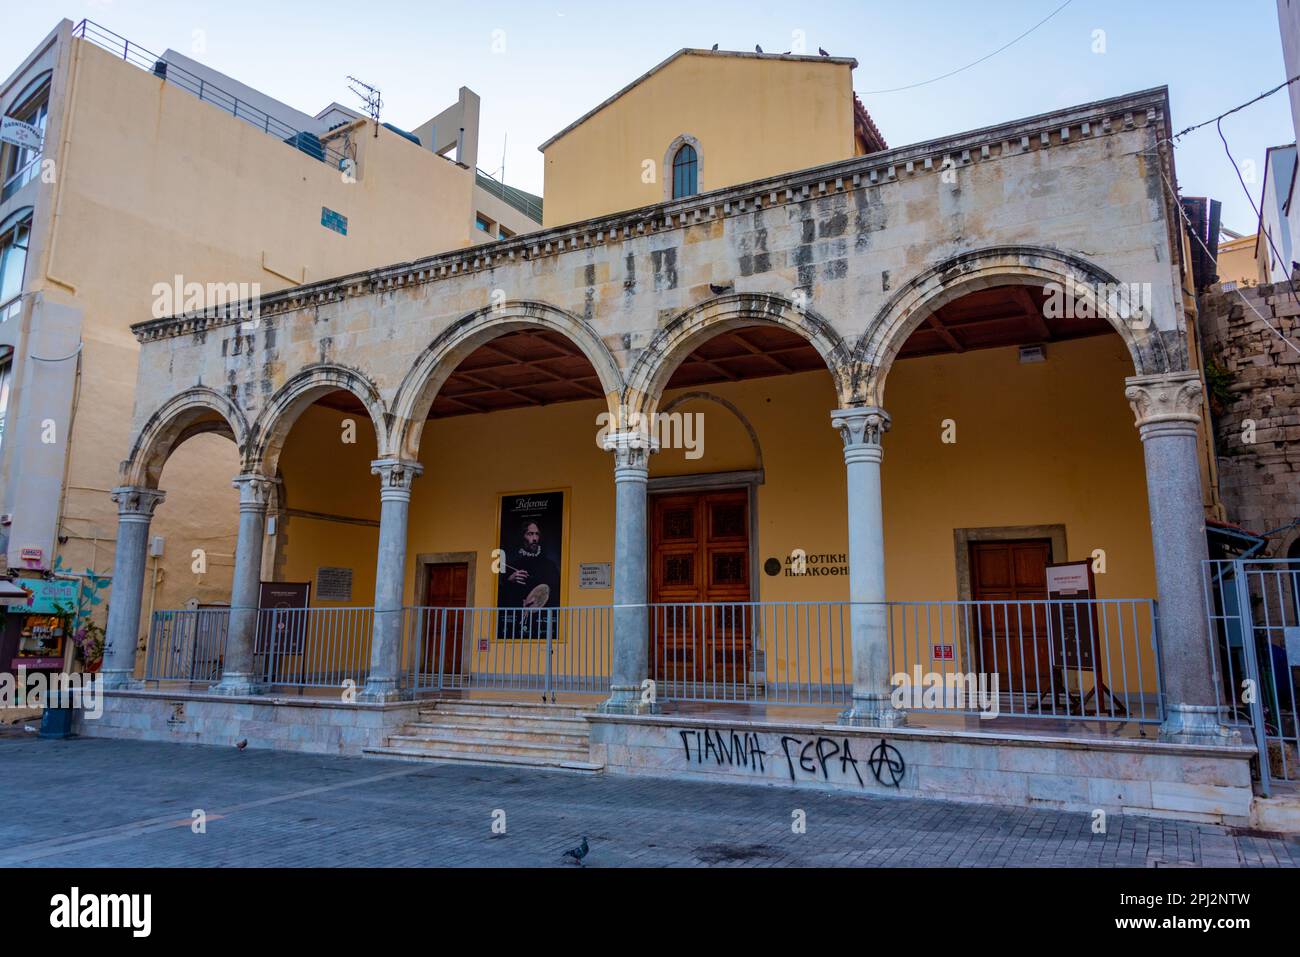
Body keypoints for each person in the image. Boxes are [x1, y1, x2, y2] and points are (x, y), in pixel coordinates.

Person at [498, 521, 560, 638]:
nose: (534, 538)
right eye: (530, 534)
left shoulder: (549, 564)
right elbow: (502, 594)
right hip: (517, 621)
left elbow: (556, 591)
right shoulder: (513, 563)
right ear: (522, 537)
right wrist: (510, 580)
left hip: (542, 621)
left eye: (537, 534)